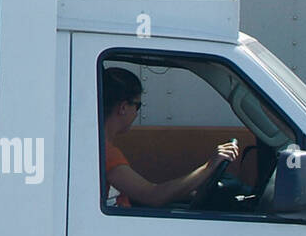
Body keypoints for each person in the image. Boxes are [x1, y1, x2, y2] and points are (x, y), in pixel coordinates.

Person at [102, 66, 240, 208]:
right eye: (138, 106)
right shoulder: (107, 154)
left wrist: (192, 190)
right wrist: (209, 167)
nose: (137, 113)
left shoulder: (102, 149)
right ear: (123, 107)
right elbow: (152, 195)